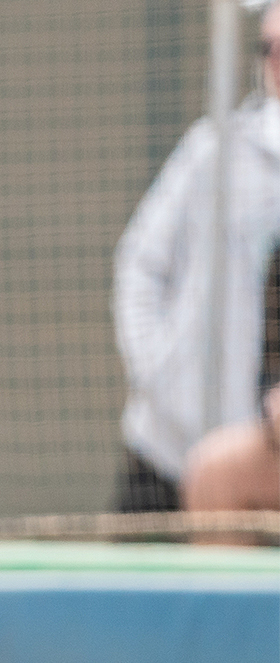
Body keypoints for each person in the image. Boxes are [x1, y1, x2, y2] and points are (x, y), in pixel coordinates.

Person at [112, 0, 280, 515]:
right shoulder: (215, 149)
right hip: (167, 443)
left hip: (260, 451)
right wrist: (159, 371)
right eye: (269, 49)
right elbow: (140, 264)